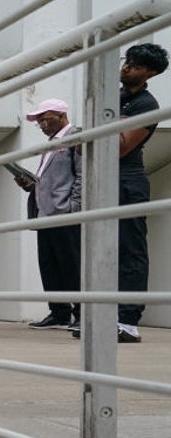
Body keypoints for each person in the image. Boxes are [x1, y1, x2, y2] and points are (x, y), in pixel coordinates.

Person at [109, 42, 167, 343]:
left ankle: (128, 322)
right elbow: (81, 145)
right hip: (104, 181)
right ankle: (106, 316)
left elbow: (118, 147)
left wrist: (107, 124)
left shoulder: (146, 104)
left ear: (151, 73)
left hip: (128, 181)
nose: (127, 66)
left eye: (136, 64)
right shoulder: (114, 97)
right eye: (127, 60)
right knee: (105, 250)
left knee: (131, 250)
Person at [16, 99, 81, 332]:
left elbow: (82, 175)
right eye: (39, 121)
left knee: (72, 264)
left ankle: (81, 313)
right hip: (45, 213)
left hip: (65, 214)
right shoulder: (51, 144)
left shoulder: (75, 137)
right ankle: (59, 312)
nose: (42, 124)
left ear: (62, 116)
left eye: (46, 118)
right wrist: (30, 184)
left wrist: (74, 207)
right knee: (49, 265)